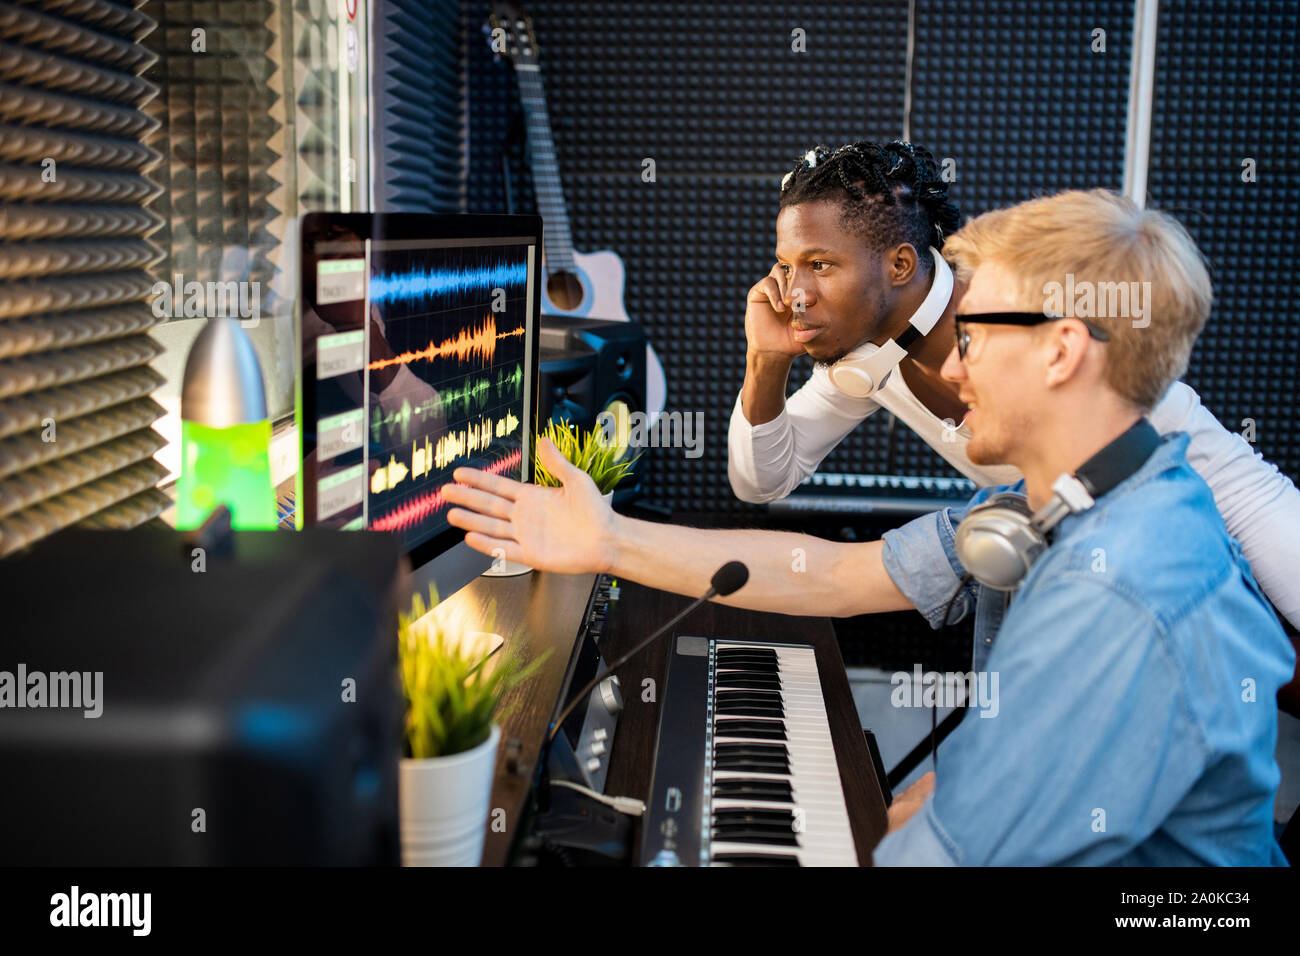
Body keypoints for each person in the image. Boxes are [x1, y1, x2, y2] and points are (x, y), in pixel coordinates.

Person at [443, 190, 1293, 865]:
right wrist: (606, 539)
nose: (951, 368)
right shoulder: (1068, 503)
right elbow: (834, 574)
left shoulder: (1117, 596)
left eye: (977, 334)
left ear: (1061, 351)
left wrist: (948, 805)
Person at [728, 141, 1300, 633]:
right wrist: (766, 360)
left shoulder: (1010, 306)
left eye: (820, 265)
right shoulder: (862, 351)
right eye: (786, 265)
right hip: (1103, 570)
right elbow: (762, 482)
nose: (793, 291)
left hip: (1223, 498)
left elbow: (1237, 492)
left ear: (900, 264)